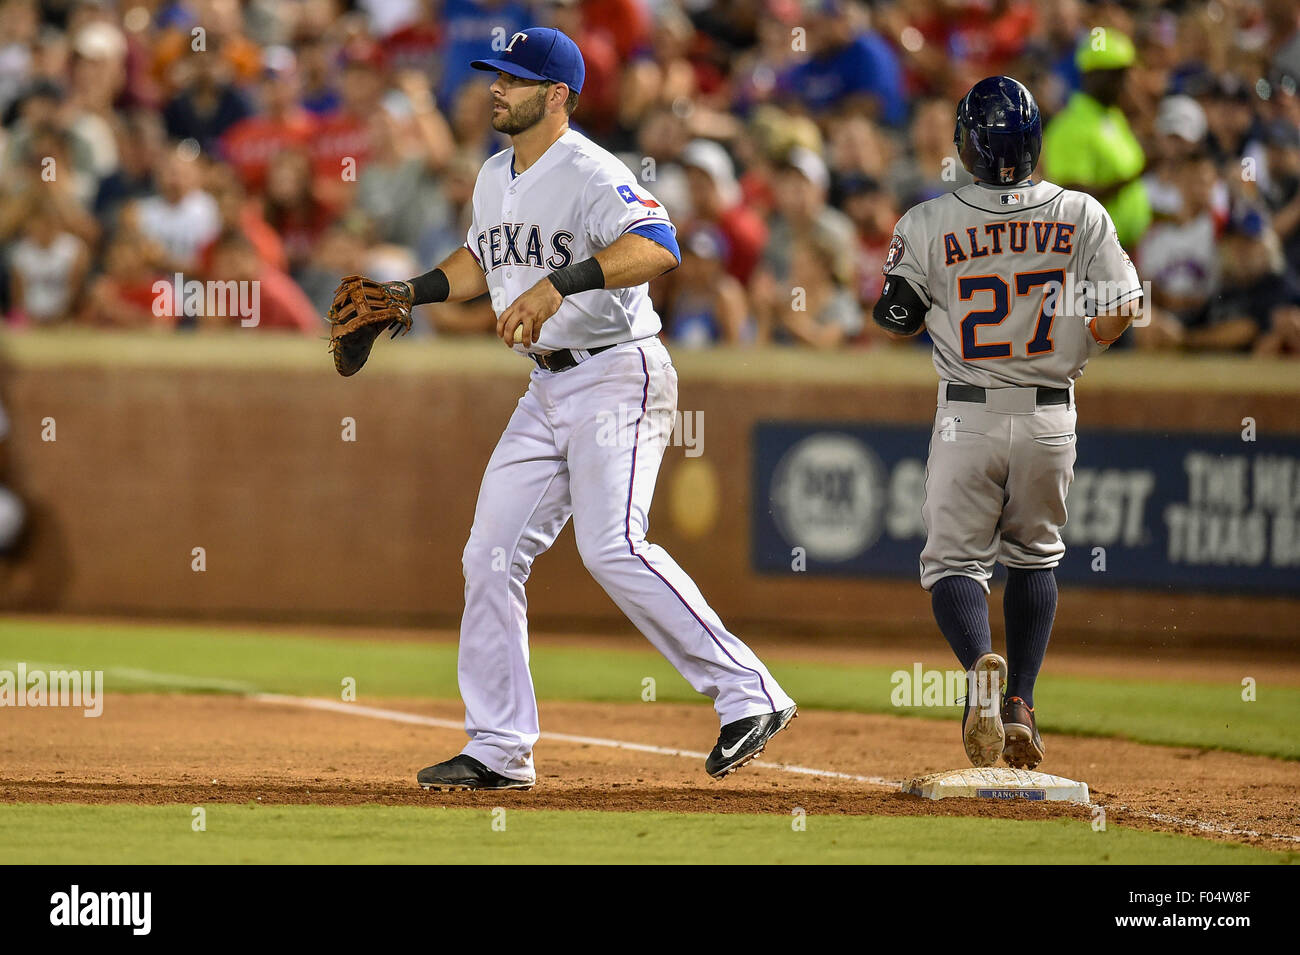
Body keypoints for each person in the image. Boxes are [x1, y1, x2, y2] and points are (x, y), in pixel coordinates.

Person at [349, 27, 797, 790]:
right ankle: (498, 747)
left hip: (618, 373)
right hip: (545, 386)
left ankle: (750, 694)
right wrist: (408, 295)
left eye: (515, 80)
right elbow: (481, 258)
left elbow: (658, 245)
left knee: (612, 545)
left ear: (557, 96)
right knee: (488, 554)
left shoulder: (591, 169)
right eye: (496, 75)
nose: (497, 88)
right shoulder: (494, 173)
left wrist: (562, 282)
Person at [874, 76, 1143, 769]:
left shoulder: (929, 220)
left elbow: (896, 319)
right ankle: (1020, 699)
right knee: (1036, 555)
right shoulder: (1083, 213)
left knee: (953, 564)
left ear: (966, 144)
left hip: (969, 413)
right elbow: (1119, 318)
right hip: (1052, 415)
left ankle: (977, 671)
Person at [1040, 27, 1151, 248]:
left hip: (1128, 250)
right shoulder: (1069, 128)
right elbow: (1073, 201)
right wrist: (1139, 173)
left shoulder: (1112, 116)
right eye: (1116, 75)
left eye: (1126, 74)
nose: (1125, 82)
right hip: (1094, 256)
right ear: (1091, 76)